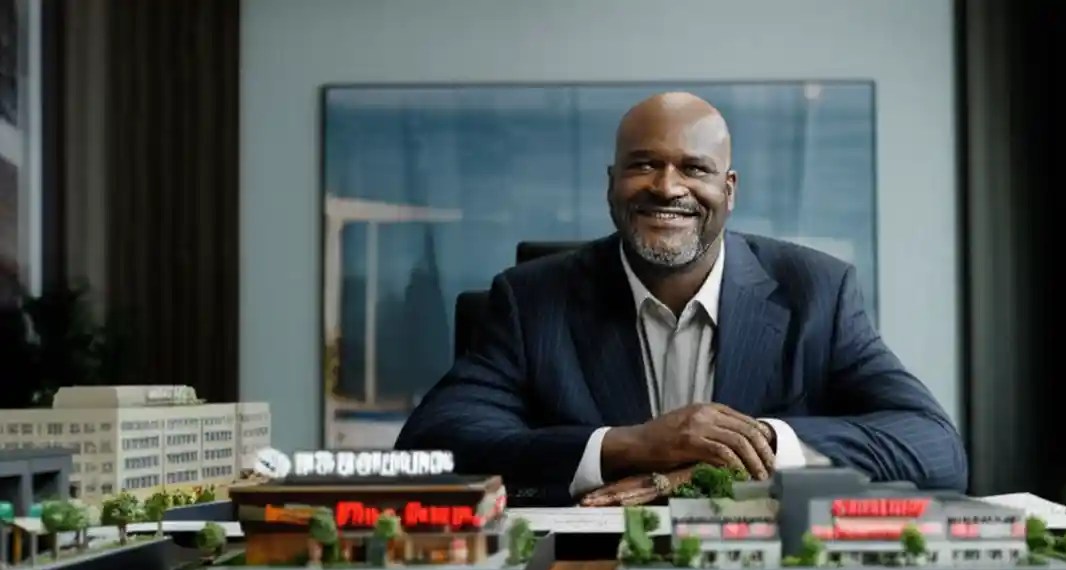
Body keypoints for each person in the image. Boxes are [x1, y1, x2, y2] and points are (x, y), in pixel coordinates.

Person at [396, 92, 967, 506]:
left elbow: (936, 451)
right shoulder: (531, 300)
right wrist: (631, 446)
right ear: (611, 181)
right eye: (644, 164)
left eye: (695, 168)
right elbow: (434, 452)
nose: (668, 187)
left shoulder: (817, 292)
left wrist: (749, 445)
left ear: (729, 189)